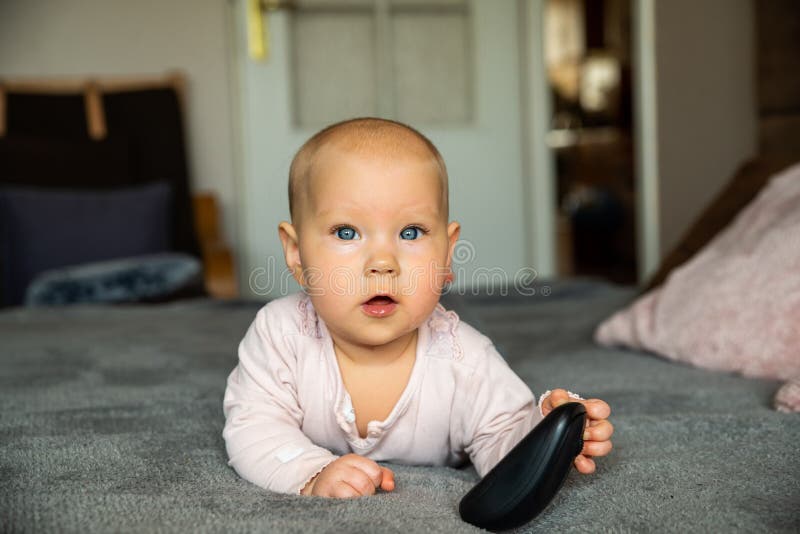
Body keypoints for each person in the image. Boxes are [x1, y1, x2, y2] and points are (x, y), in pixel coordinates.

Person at [222, 117, 614, 498]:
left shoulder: (465, 359)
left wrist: (548, 436)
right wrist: (311, 471)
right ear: (296, 252)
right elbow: (253, 426)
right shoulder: (281, 335)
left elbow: (503, 439)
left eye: (411, 233)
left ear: (446, 253)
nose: (382, 262)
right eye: (346, 232)